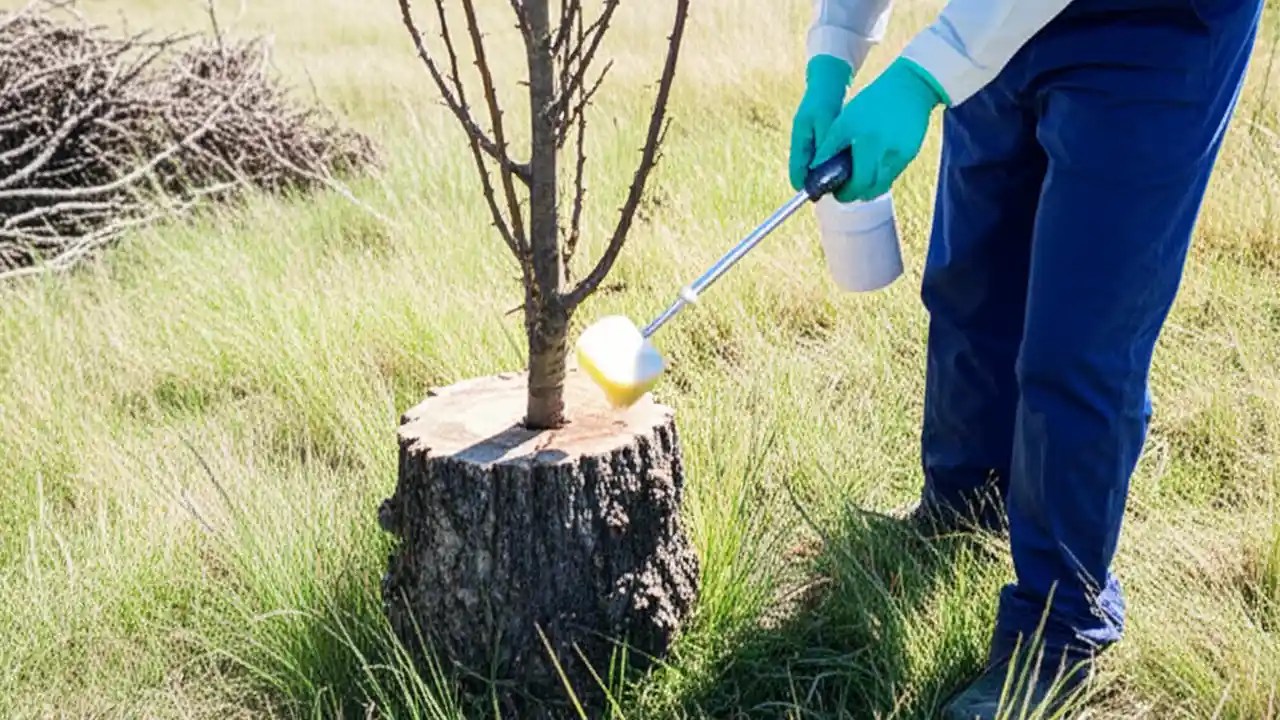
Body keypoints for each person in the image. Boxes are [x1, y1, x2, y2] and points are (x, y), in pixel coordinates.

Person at [788, 0, 1265, 716]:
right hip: (1002, 19)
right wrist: (831, 61)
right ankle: (965, 508)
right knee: (971, 288)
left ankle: (1059, 628)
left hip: (1161, 28)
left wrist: (923, 77)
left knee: (1079, 342)